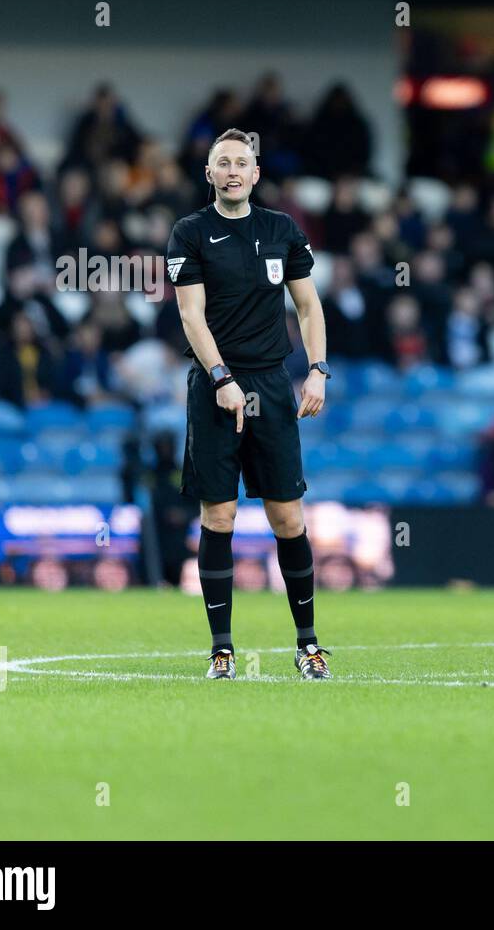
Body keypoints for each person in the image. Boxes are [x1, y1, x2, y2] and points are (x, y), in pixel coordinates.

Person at [166, 128, 331, 681]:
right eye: (223, 163)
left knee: (288, 516)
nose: (233, 170)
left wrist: (317, 370)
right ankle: (222, 650)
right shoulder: (189, 233)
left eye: (243, 162)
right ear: (209, 174)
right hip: (214, 390)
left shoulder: (282, 230)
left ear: (256, 174)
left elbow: (308, 307)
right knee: (220, 515)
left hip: (272, 386)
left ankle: (308, 646)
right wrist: (220, 377)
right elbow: (191, 316)